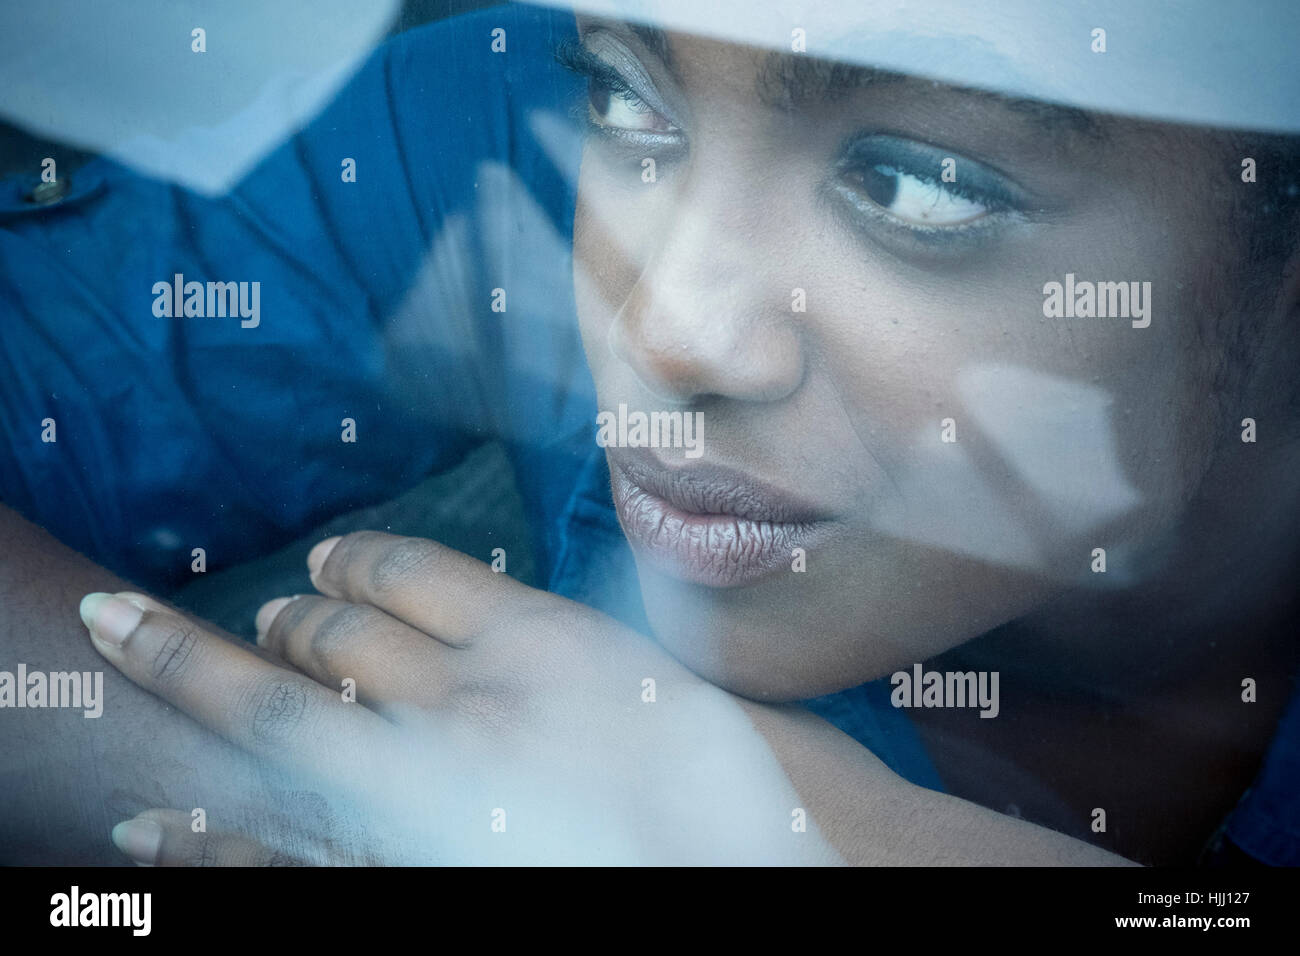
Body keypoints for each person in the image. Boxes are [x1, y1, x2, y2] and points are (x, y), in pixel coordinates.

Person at [2, 0, 1298, 864]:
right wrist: (359, 815)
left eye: (920, 181)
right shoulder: (503, 115)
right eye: (628, 104)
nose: (665, 328)